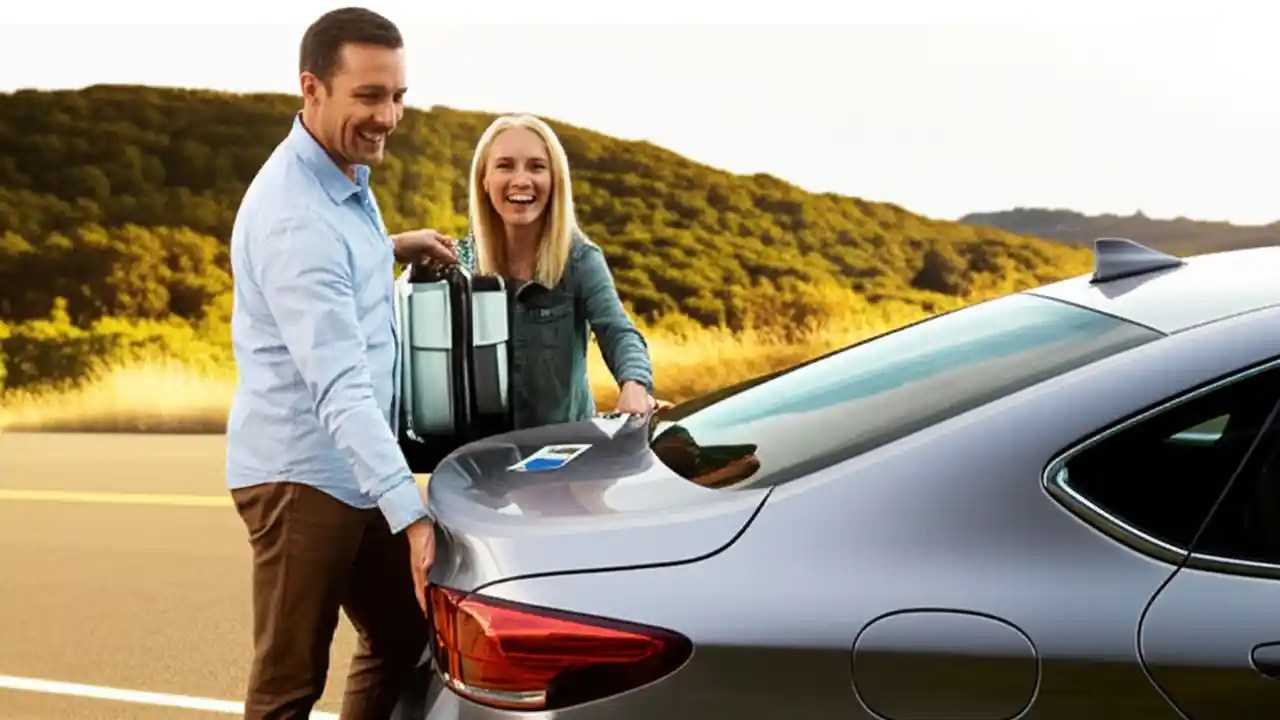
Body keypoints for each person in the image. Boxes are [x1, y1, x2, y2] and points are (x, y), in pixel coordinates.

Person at [223, 8, 455, 719]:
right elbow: (340, 387)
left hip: (348, 468)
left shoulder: (338, 175)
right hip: (302, 476)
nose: (387, 116)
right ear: (312, 88)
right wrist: (413, 516)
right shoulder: (297, 215)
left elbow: (336, 277)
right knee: (289, 684)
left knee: (405, 632)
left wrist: (391, 244)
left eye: (397, 96)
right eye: (369, 96)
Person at [451, 113, 657, 429]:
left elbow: (618, 331)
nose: (521, 180)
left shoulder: (580, 259)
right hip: (482, 456)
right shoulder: (462, 263)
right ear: (484, 179)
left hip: (563, 453)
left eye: (537, 166)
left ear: (555, 179)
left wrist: (634, 385)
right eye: (505, 165)